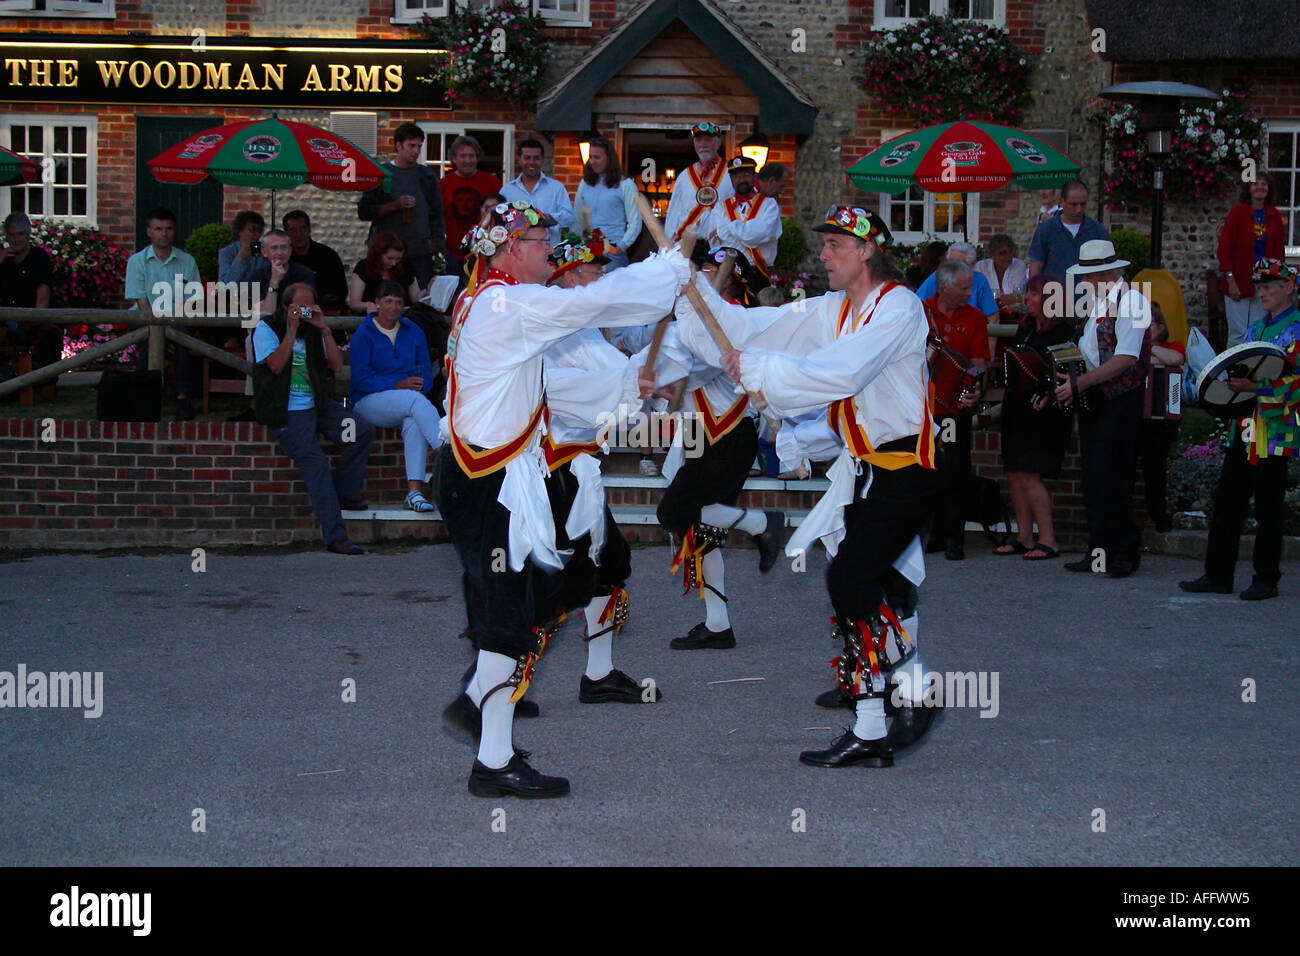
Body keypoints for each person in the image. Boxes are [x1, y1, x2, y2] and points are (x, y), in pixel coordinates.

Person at [433, 199, 690, 799]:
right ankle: (491, 760)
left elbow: (578, 339)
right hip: (486, 480)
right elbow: (589, 303)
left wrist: (629, 380)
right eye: (541, 241)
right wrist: (666, 273)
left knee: (519, 606)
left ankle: (479, 714)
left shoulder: (490, 301)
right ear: (510, 248)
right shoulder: (505, 304)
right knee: (505, 619)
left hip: (491, 477)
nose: (550, 251)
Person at [677, 205, 943, 766]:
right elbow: (764, 326)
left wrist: (760, 371)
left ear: (867, 250)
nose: (823, 255)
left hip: (905, 473)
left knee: (851, 581)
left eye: (835, 246)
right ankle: (891, 703)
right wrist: (695, 301)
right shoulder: (836, 309)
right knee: (871, 584)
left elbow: (843, 372)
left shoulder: (898, 307)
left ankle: (894, 707)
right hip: (867, 472)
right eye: (823, 245)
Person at [651, 246, 785, 651]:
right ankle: (718, 625)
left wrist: (652, 374)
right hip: (706, 439)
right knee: (703, 533)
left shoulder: (720, 324)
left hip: (728, 437)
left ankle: (762, 525)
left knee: (672, 511)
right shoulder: (691, 321)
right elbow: (673, 385)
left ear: (707, 272)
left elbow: (697, 366)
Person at [1181, 259, 1300, 601]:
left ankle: (1266, 578)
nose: (1260, 292)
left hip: (1275, 430)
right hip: (1244, 428)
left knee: (1268, 507)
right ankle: (1217, 574)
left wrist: (1256, 389)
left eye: (1267, 287)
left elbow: (1297, 385)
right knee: (1228, 502)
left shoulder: (1297, 328)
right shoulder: (1256, 327)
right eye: (1259, 286)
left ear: (1288, 288)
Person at [1054, 239, 1152, 578]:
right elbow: (1091, 353)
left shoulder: (1133, 301)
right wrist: (1069, 372)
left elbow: (1126, 358)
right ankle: (1100, 554)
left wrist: (1079, 382)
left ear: (1104, 274)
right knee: (1095, 478)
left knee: (1116, 476)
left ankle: (1124, 552)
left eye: (1088, 276)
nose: (1083, 283)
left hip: (1121, 400)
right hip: (1097, 397)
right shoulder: (1098, 305)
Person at [251, 282, 373, 554]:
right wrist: (291, 332)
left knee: (360, 430)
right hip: (287, 411)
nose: (304, 313)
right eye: (299, 308)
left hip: (317, 406)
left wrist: (325, 328)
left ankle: (345, 494)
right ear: (285, 307)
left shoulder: (314, 330)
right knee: (316, 463)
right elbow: (275, 365)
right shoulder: (267, 328)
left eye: (309, 307)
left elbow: (338, 366)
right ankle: (336, 536)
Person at [996, 273, 1073, 559]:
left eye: (1033, 293)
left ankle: (1048, 539)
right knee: (1014, 473)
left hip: (1044, 412)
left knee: (1030, 473)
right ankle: (1024, 536)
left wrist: (1048, 392)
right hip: (1018, 407)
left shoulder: (1064, 332)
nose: (1026, 299)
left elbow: (1065, 372)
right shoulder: (1026, 329)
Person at [348, 279, 441, 514]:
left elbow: (424, 370)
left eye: (399, 302)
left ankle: (414, 492)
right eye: (388, 301)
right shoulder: (364, 334)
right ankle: (444, 451)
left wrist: (420, 384)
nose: (393, 307)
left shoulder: (413, 331)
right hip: (368, 399)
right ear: (377, 303)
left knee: (413, 420)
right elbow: (361, 379)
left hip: (407, 400)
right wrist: (398, 385)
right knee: (415, 402)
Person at [923, 259, 990, 561]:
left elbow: (979, 363)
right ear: (944, 287)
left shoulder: (975, 317)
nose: (970, 292)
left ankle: (954, 537)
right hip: (922, 407)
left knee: (956, 470)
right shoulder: (920, 311)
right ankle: (933, 533)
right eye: (964, 288)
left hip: (954, 409)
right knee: (928, 469)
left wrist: (973, 388)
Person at [125, 207, 201, 420]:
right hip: (145, 316)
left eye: (168, 228)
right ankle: (145, 394)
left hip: (179, 317)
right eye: (158, 229)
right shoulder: (137, 261)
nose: (164, 233)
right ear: (149, 231)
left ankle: (181, 396)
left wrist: (170, 327)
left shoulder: (187, 261)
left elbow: (192, 300)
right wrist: (159, 328)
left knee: (182, 337)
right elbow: (141, 301)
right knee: (151, 338)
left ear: (174, 231)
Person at [357, 123, 445, 289]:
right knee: (388, 298)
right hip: (387, 255)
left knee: (420, 302)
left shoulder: (426, 176)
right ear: (398, 145)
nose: (416, 151)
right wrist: (394, 206)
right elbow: (364, 211)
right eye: (411, 146)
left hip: (419, 253)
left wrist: (435, 244)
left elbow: (438, 213)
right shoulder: (382, 175)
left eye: (419, 146)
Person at [1217, 173, 1285, 348]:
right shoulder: (1237, 214)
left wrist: (1278, 282)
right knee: (1238, 331)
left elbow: (1279, 252)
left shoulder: (1275, 216)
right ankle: (1232, 371)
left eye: (1264, 184)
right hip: (1239, 280)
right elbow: (1225, 249)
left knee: (1258, 331)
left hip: (1265, 282)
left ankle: (1254, 373)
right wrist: (1230, 279)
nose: (1260, 187)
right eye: (1256, 184)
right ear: (1249, 188)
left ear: (1269, 189)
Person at [1136, 304, 1185, 534]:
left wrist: (1149, 347)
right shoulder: (1131, 348)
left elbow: (1174, 359)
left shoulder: (1171, 346)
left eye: (1150, 324)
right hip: (1137, 417)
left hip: (1162, 419)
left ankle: (1158, 513)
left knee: (1155, 467)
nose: (1145, 328)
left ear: (1161, 327)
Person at [700, 156, 780, 285]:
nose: (741, 180)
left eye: (746, 175)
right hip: (730, 273)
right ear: (731, 179)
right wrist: (747, 232)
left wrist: (725, 229)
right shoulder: (720, 207)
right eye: (737, 176)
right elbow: (717, 245)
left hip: (759, 271)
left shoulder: (769, 205)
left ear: (754, 176)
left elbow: (759, 234)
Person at [0, 211, 60, 374]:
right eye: (12, 235)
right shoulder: (4, 260)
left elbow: (43, 299)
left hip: (32, 320)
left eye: (20, 234)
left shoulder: (38, 258)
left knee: (47, 336)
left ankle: (39, 381)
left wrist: (33, 321)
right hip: (6, 320)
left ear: (28, 235)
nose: (16, 239)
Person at [572, 135, 641, 271]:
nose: (592, 161)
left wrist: (621, 246)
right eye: (590, 157)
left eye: (597, 157)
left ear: (609, 158)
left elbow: (635, 221)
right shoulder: (585, 184)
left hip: (612, 251)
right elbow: (577, 218)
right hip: (587, 250)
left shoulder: (625, 184)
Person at [439, 134, 502, 277]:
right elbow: (436, 218)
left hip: (485, 253)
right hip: (453, 254)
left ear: (477, 157)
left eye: (471, 156)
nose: (467, 160)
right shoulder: (443, 184)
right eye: (462, 156)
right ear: (454, 159)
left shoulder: (492, 183)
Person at [663, 121, 735, 243]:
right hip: (688, 247)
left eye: (708, 140)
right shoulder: (684, 176)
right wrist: (665, 248)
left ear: (718, 143)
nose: (703, 145)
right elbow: (673, 214)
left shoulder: (731, 174)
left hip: (721, 245)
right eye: (699, 140)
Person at [1027, 180, 1109, 279]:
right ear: (1062, 202)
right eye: (1074, 204)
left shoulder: (1097, 230)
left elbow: (1107, 268)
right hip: (1053, 292)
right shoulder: (1046, 229)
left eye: (1083, 204)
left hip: (1089, 293)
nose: (1079, 209)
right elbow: (1035, 269)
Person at [500, 138, 574, 246]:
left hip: (548, 253)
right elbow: (500, 221)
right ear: (519, 159)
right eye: (527, 158)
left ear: (542, 159)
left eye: (536, 158)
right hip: (517, 254)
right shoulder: (507, 190)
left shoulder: (556, 187)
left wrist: (546, 218)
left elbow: (569, 217)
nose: (531, 162)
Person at [914, 242, 998, 322]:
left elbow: (993, 316)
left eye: (959, 264)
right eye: (950, 262)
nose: (952, 268)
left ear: (972, 264)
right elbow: (916, 304)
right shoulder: (938, 276)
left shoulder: (979, 280)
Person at [283, 210, 348, 311]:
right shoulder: (283, 258)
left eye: (302, 229)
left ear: (309, 230)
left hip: (323, 311)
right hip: (291, 312)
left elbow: (341, 291)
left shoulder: (328, 256)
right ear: (286, 233)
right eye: (293, 230)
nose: (298, 234)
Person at [348, 230, 421, 315]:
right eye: (389, 258)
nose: (394, 263)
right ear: (378, 254)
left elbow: (416, 298)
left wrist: (429, 289)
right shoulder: (363, 267)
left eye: (398, 259)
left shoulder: (406, 268)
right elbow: (354, 303)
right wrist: (368, 305)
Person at [974, 234, 1029, 313]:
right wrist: (1004, 300)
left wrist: (995, 300)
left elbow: (1018, 297)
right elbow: (978, 296)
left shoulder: (1019, 266)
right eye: (1002, 253)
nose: (1008, 256)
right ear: (992, 254)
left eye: (1010, 252)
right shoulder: (981, 267)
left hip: (1013, 316)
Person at [217, 210, 265, 284]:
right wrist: (240, 258)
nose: (257, 234)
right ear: (240, 230)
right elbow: (224, 284)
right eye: (253, 230)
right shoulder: (227, 252)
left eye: (260, 231)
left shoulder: (263, 251)